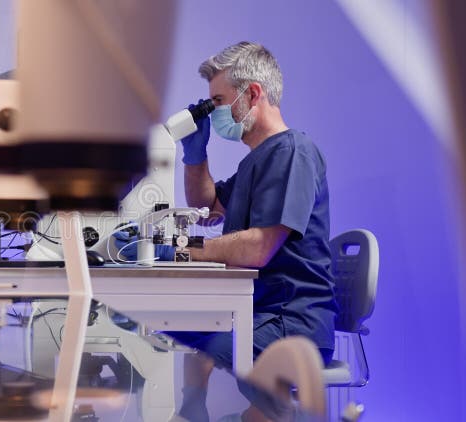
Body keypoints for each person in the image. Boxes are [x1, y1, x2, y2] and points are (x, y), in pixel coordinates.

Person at [115, 41, 338, 421]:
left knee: (198, 337)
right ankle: (193, 412)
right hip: (262, 312)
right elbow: (208, 208)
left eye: (218, 101)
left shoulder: (292, 152)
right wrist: (195, 154)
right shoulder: (258, 161)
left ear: (252, 93)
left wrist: (178, 250)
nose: (214, 112)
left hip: (291, 322)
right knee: (189, 324)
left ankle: (255, 413)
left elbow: (258, 249)